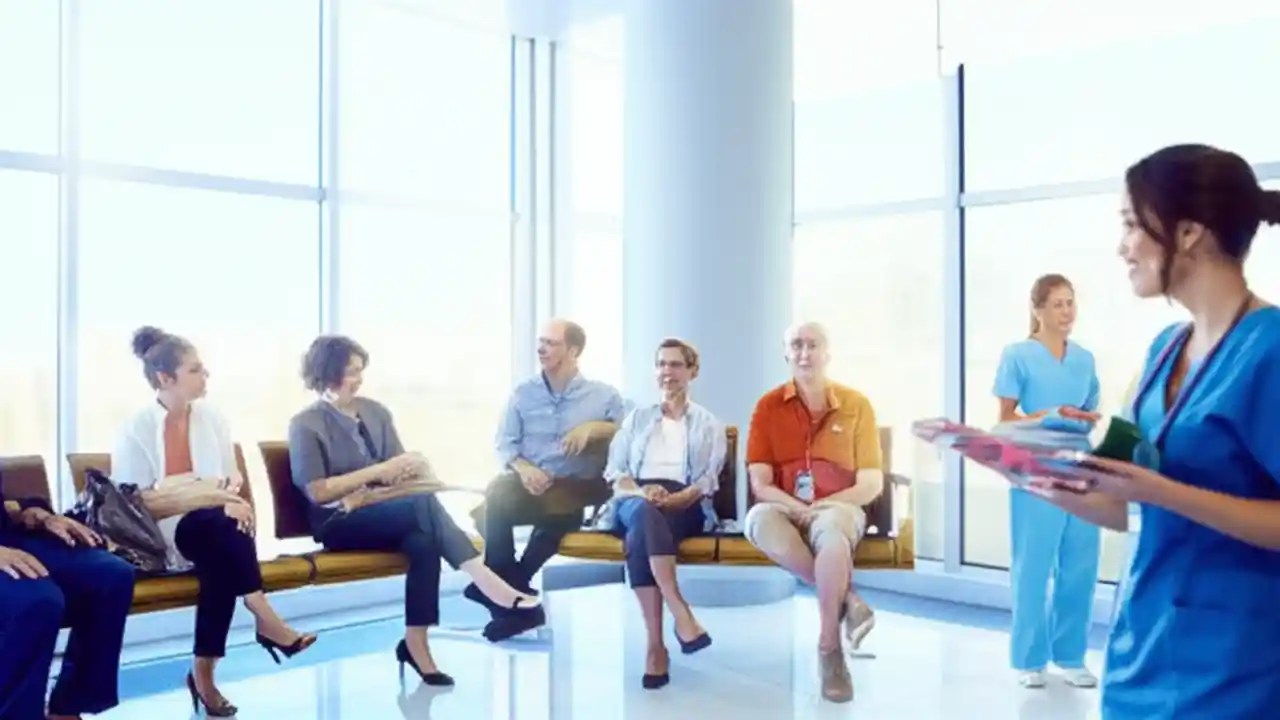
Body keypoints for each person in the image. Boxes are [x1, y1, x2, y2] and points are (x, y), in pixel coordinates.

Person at [1024, 144, 1280, 718]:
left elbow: (1160, 493)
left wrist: (1158, 490)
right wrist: (1052, 481)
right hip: (1142, 653)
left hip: (1237, 673)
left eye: (1133, 225)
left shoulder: (1271, 351)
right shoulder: (1165, 350)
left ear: (1188, 232)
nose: (1122, 246)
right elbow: (1136, 507)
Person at [287, 335, 545, 685]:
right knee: (424, 507)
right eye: (350, 372)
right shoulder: (306, 423)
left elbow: (397, 468)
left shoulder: (376, 412)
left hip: (387, 512)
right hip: (339, 521)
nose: (358, 379)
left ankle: (416, 645)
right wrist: (377, 473)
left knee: (424, 542)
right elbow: (317, 491)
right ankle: (490, 585)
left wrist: (407, 469)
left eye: (360, 371)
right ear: (327, 375)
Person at [113, 327, 316, 717]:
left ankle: (207, 674)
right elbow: (140, 503)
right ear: (165, 378)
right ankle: (261, 618)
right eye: (196, 370)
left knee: (223, 543)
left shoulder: (212, 418)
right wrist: (210, 493)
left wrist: (216, 496)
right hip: (162, 531)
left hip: (212, 527)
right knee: (224, 532)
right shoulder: (136, 427)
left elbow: (231, 478)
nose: (206, 377)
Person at [743, 322, 884, 704]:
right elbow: (760, 483)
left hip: (840, 506)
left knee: (834, 534)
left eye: (813, 345)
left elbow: (872, 483)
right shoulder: (768, 406)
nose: (805, 353)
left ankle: (830, 650)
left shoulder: (857, 405)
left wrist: (829, 503)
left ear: (828, 352)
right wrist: (799, 508)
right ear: (786, 354)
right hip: (785, 507)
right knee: (757, 519)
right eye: (796, 345)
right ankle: (849, 599)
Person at [471, 319, 625, 641]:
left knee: (508, 512)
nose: (541, 348)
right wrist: (525, 470)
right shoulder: (522, 394)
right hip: (530, 485)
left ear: (573, 350)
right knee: (498, 491)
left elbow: (629, 434)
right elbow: (505, 445)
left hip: (577, 486)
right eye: (540, 342)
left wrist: (594, 429)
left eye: (550, 343)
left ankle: (499, 590)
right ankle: (514, 591)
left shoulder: (604, 396)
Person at [993, 273, 1102, 689]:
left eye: (1071, 302)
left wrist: (1079, 419)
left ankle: (1071, 655)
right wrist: (1051, 413)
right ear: (1037, 309)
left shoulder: (1085, 359)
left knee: (1080, 565)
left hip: (1080, 468)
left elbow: (1089, 408)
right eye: (1057, 303)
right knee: (1033, 566)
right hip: (1034, 469)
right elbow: (1006, 420)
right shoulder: (1017, 354)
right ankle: (1029, 660)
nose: (1067, 311)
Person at [601, 338, 723, 689]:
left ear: (692, 371)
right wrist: (643, 492)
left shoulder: (707, 423)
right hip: (634, 496)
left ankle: (656, 647)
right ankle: (680, 611)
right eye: (661, 365)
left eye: (675, 365)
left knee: (643, 530)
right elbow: (616, 472)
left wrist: (681, 497)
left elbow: (708, 478)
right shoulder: (636, 419)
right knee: (642, 512)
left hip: (684, 503)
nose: (667, 372)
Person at [0, 469, 134, 720]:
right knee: (37, 601)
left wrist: (33, 513)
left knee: (110, 576)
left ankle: (67, 709)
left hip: (7, 535)